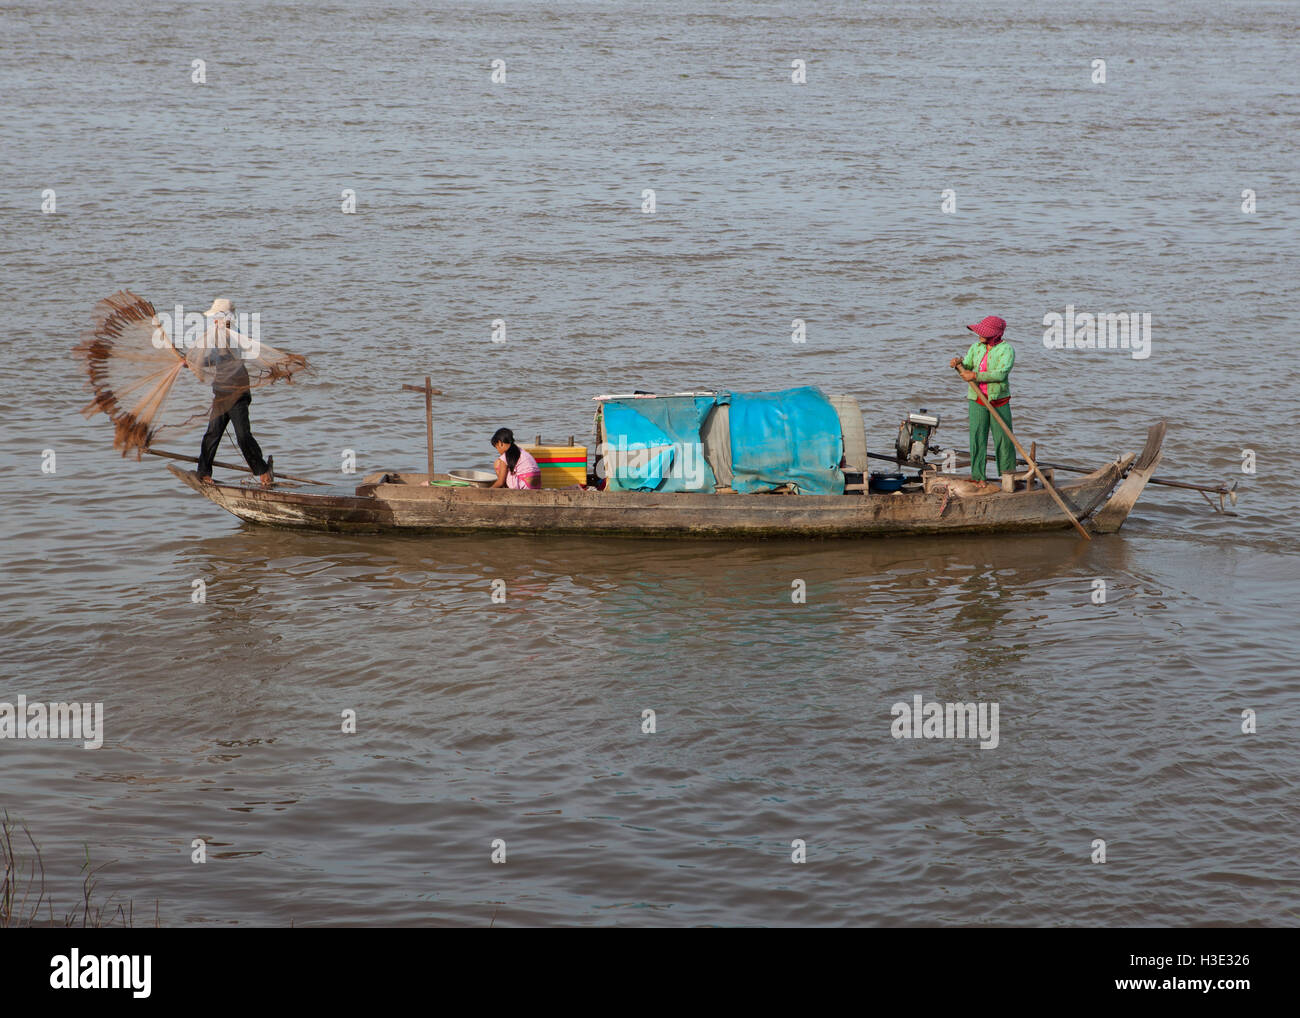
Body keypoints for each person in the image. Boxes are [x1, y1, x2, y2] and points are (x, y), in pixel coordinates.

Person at [195, 298, 273, 485]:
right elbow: (212, 357)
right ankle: (204, 473)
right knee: (212, 433)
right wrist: (192, 360)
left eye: (216, 317)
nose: (214, 320)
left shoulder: (233, 336)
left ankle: (263, 471)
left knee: (243, 436)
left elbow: (219, 356)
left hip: (237, 394)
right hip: (222, 393)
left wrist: (197, 361)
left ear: (225, 319)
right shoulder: (218, 335)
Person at [949, 315, 1015, 492]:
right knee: (977, 438)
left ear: (995, 335)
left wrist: (976, 376)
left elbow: (1001, 374)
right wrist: (959, 363)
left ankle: (1008, 477)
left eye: (983, 332)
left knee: (1004, 439)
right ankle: (978, 477)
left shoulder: (1006, 350)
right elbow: (968, 366)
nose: (979, 335)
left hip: (998, 401)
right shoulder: (976, 348)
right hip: (977, 400)